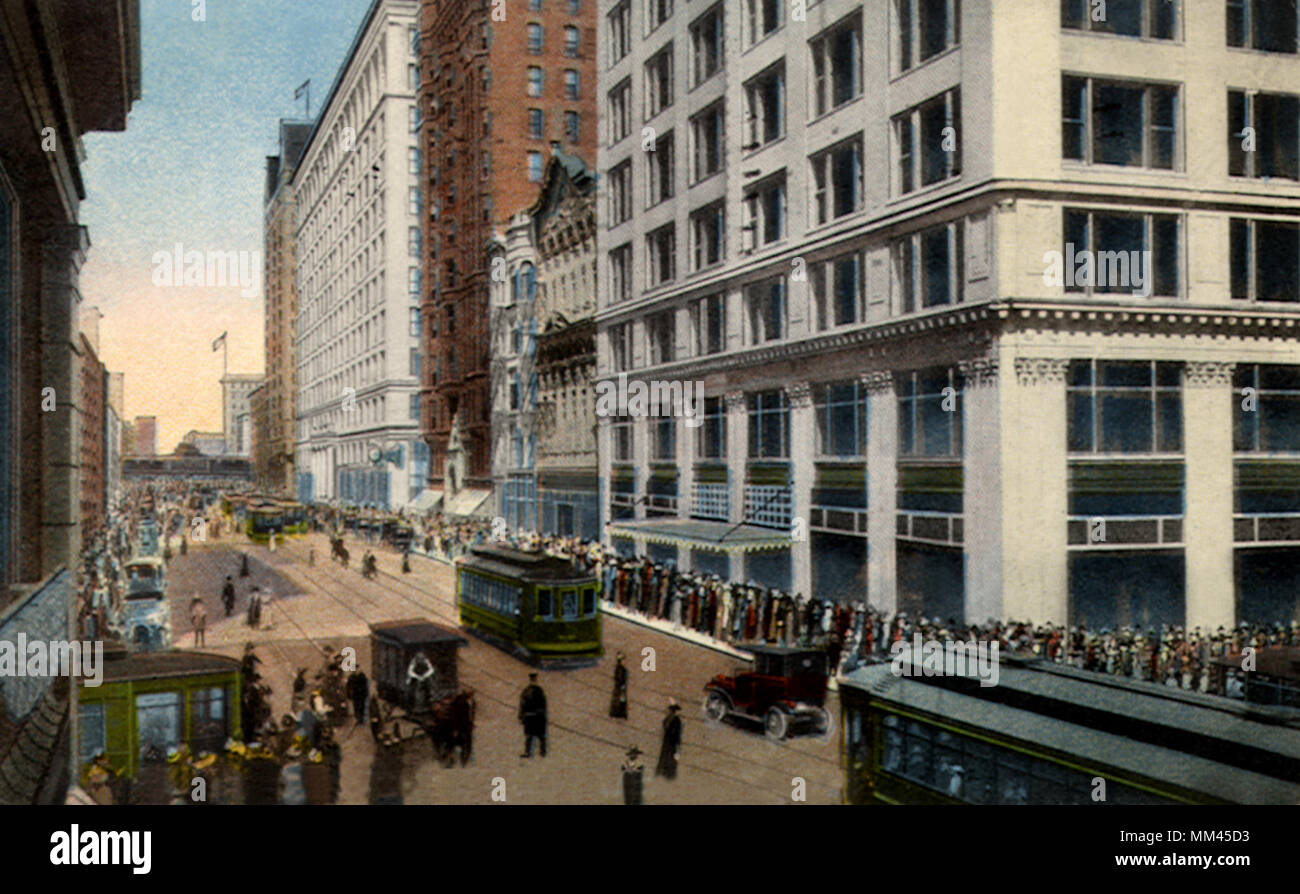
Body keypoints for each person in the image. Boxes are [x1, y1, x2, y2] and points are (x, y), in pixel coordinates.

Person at [518, 672, 548, 758]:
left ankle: (542, 752)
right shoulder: (529, 691)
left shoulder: (532, 691)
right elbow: (522, 704)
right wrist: (521, 715)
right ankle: (536, 752)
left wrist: (521, 715)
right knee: (531, 736)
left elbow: (522, 704)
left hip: (535, 716)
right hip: (533, 716)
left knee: (538, 735)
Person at [655, 700, 683, 780]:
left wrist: (678, 748)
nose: (671, 711)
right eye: (671, 710)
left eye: (672, 710)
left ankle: (668, 774)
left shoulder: (677, 720)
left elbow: (678, 735)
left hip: (672, 743)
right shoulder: (667, 718)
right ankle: (662, 772)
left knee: (670, 758)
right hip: (666, 742)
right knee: (664, 756)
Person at [609, 652, 629, 719]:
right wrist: (622, 685)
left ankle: (617, 712)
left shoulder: (619, 668)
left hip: (619, 687)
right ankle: (619, 712)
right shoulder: (621, 669)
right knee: (621, 699)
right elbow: (620, 678)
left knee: (619, 698)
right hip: (620, 687)